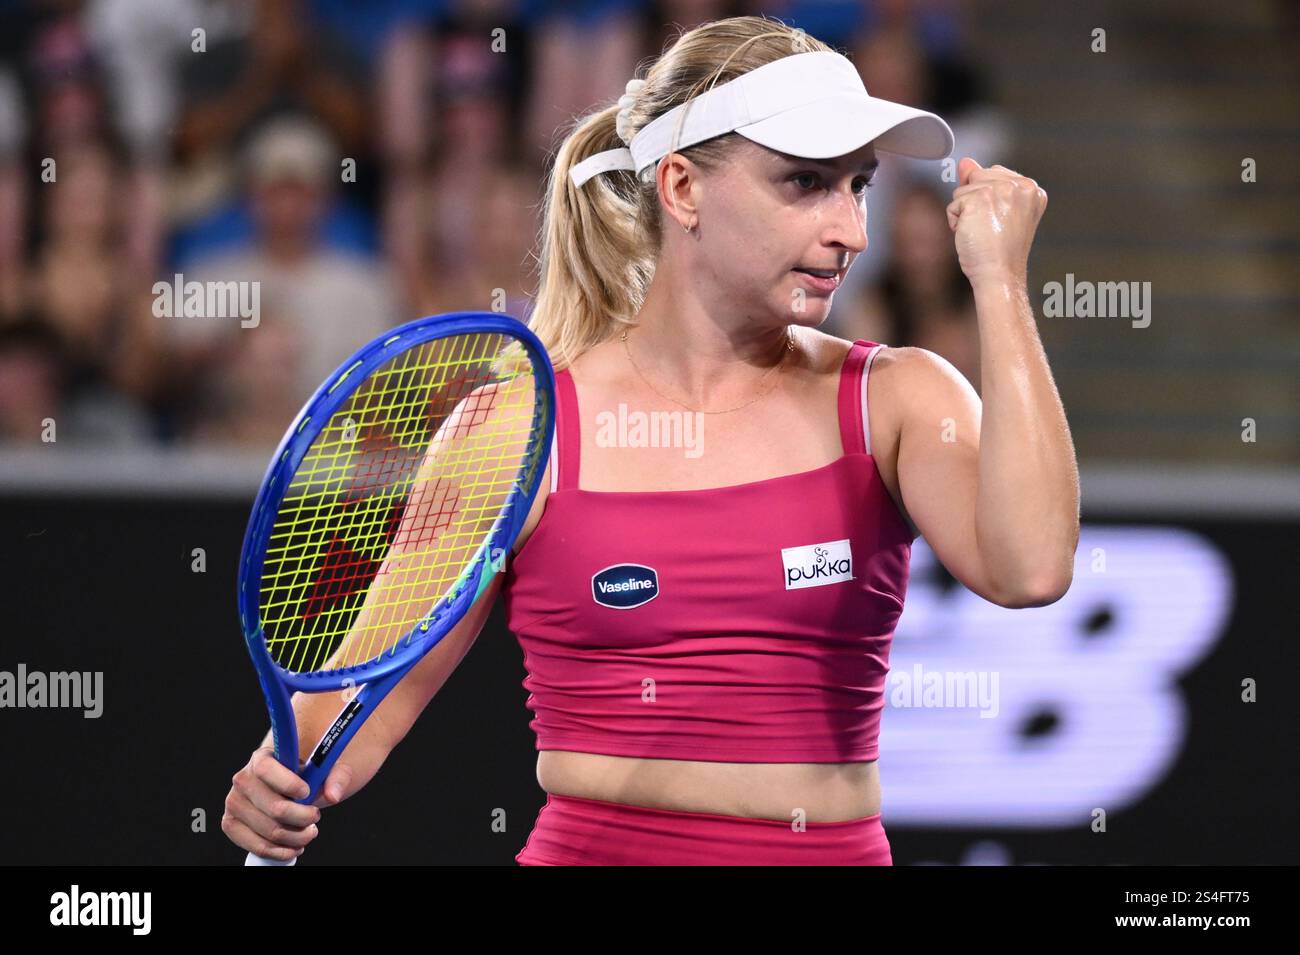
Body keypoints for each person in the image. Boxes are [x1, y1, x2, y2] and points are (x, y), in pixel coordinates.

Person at [222, 15, 1079, 865]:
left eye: (858, 185)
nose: (851, 230)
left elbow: (1030, 566)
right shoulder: (521, 428)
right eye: (806, 182)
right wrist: (274, 779)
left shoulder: (894, 399)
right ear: (681, 188)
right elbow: (361, 702)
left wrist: (999, 283)